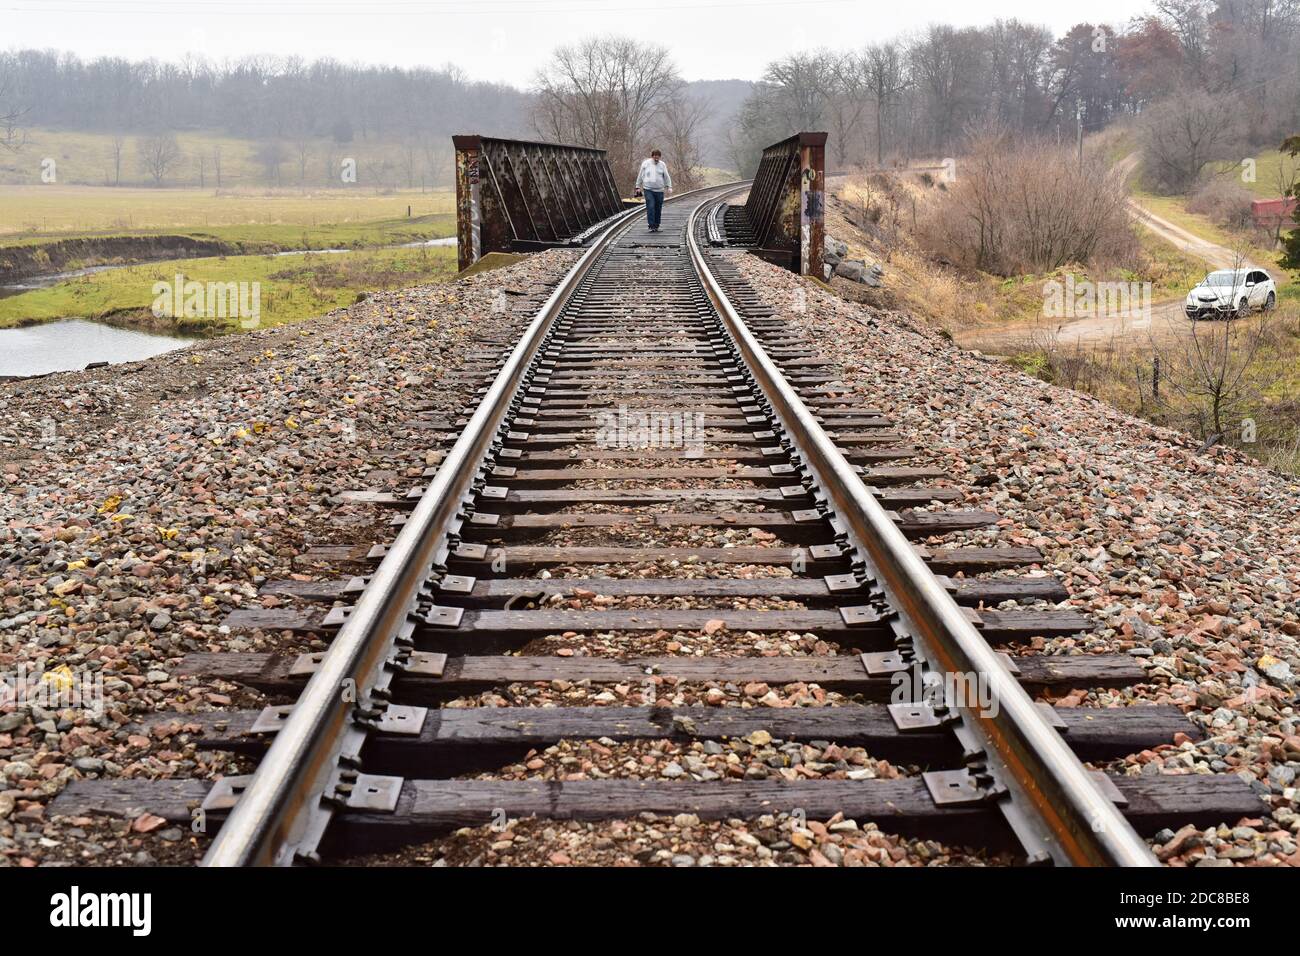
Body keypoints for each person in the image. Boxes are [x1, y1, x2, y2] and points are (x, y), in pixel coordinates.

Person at [634, 149, 672, 232]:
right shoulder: (646, 164)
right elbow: (640, 175)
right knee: (650, 206)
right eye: (655, 155)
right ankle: (651, 225)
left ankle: (656, 225)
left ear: (660, 157)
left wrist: (669, 186)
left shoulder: (662, 165)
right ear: (652, 156)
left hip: (659, 190)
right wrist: (637, 186)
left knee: (658, 208)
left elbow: (666, 176)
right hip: (648, 189)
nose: (656, 157)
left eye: (658, 156)